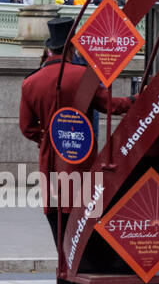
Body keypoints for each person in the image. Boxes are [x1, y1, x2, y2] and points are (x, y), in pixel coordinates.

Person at [20, 17, 134, 242]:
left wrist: (48, 138)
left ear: (50, 49)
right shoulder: (83, 76)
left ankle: (63, 270)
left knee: (56, 221)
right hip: (80, 161)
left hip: (50, 161)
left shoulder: (30, 82)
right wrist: (136, 99)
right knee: (82, 221)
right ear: (71, 47)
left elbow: (26, 127)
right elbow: (111, 106)